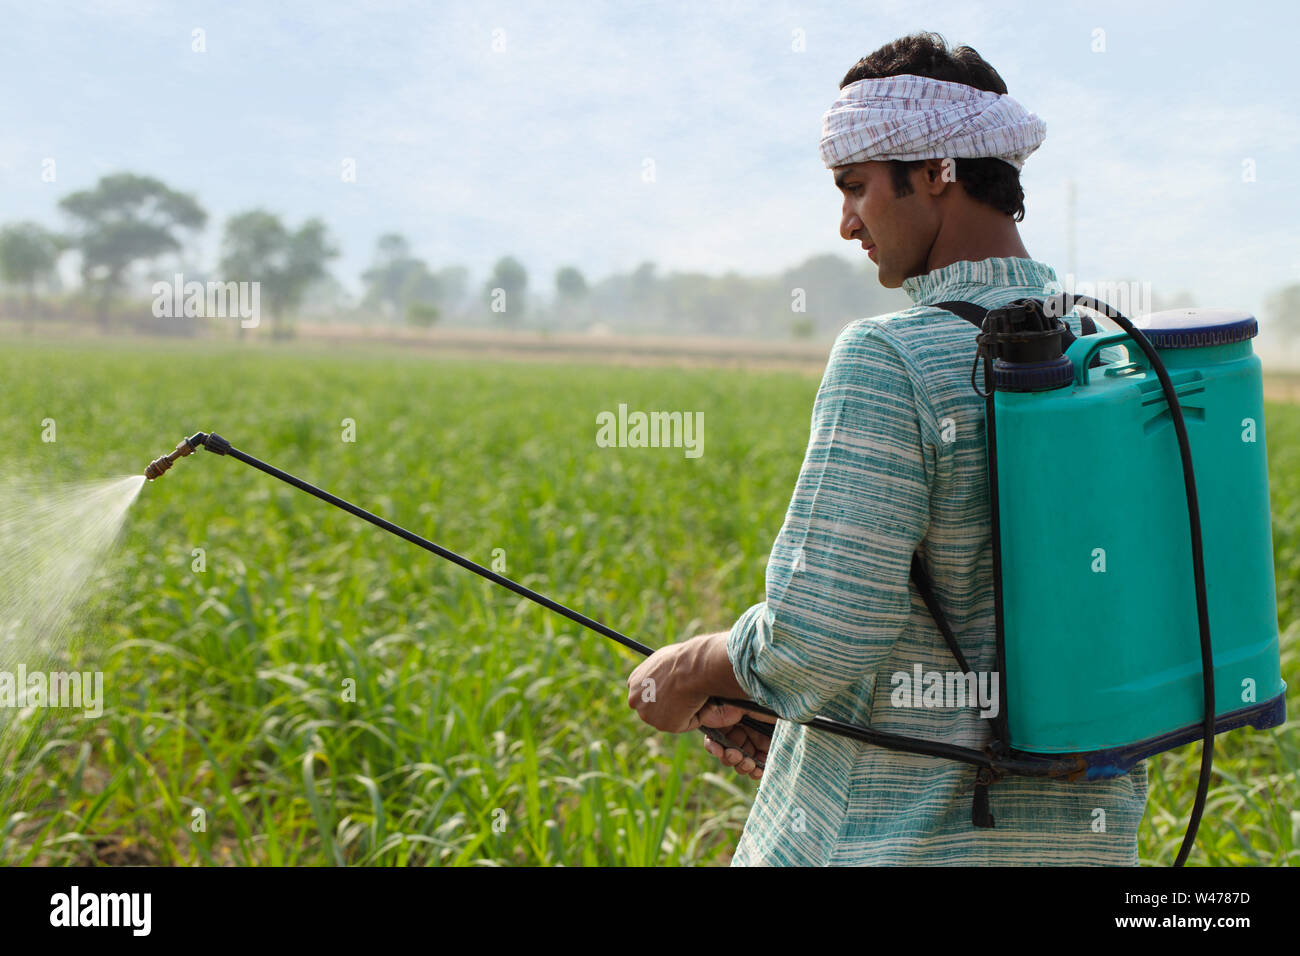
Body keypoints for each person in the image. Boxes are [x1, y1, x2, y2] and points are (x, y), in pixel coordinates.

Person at [626, 32, 1147, 866]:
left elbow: (819, 639)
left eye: (857, 187)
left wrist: (690, 669)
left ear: (938, 169)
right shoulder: (1110, 353)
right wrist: (804, 714)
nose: (845, 223)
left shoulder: (890, 358)